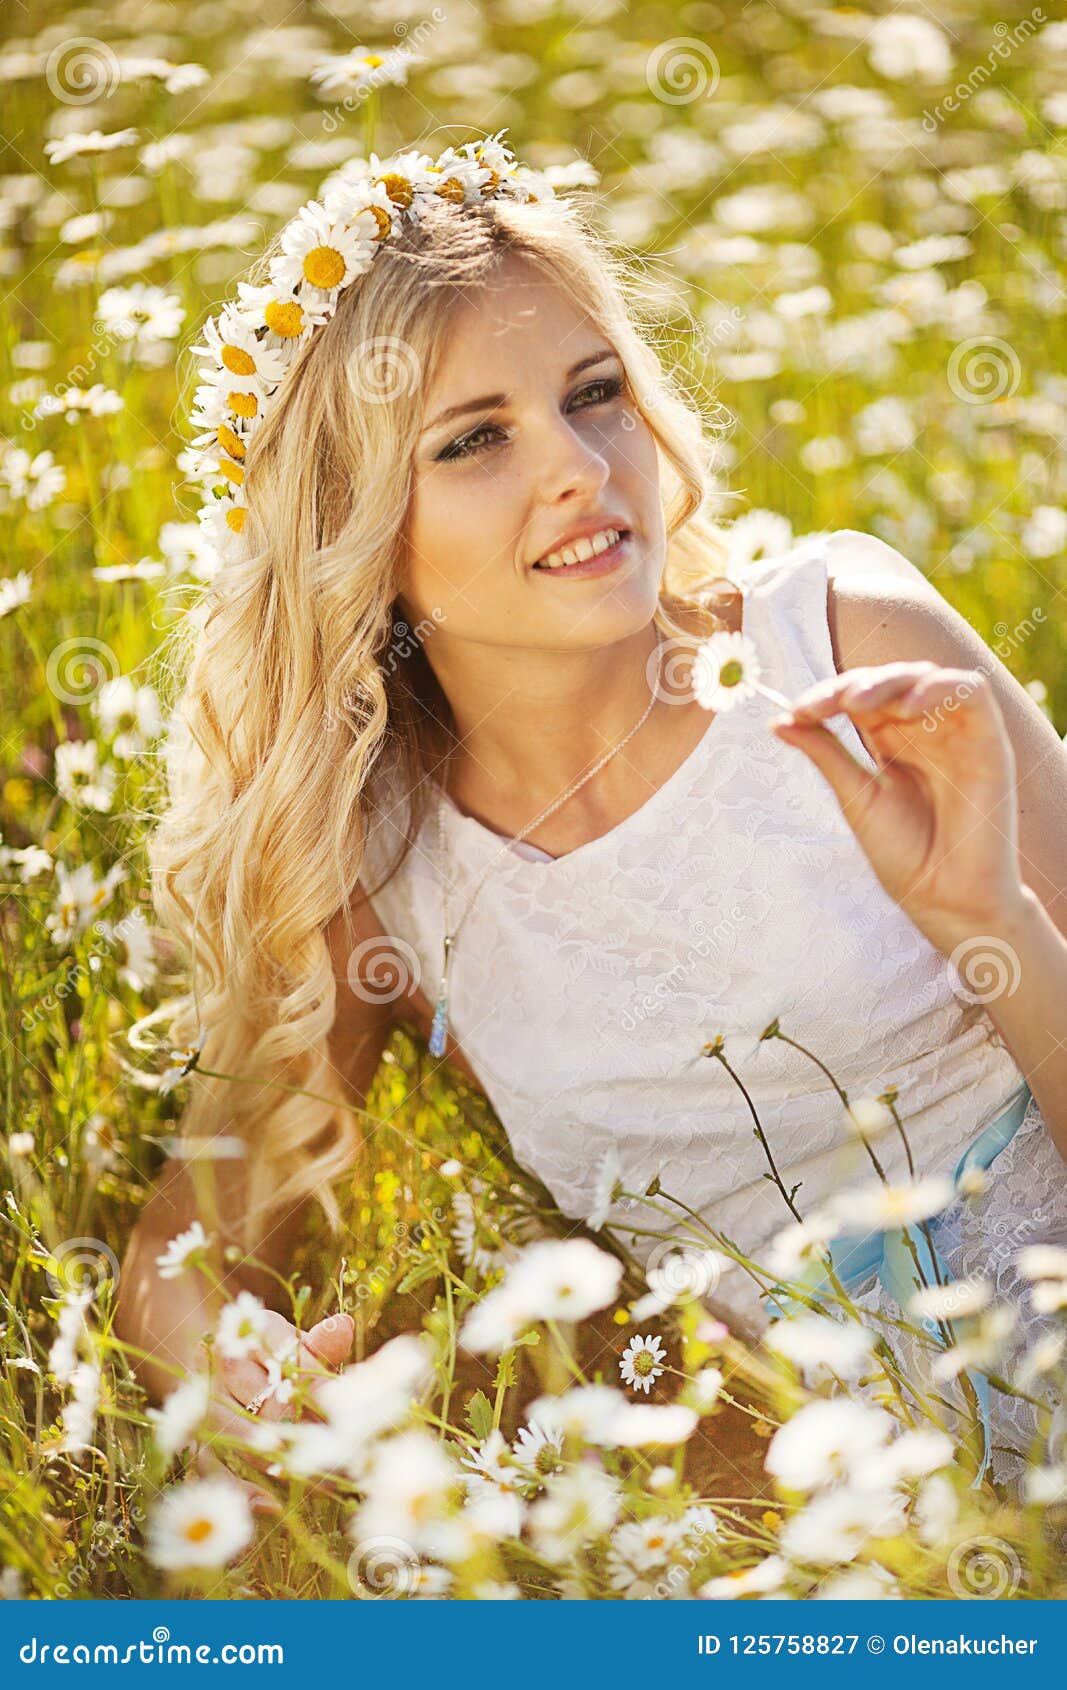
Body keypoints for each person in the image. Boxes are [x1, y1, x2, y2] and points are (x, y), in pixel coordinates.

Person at [115, 133, 1067, 1503]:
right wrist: (236, 1382)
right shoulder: (389, 869)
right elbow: (181, 1247)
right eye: (476, 439)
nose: (577, 466)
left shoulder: (846, 644)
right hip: (845, 1498)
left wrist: (995, 925)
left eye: (595, 392)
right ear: (359, 536)